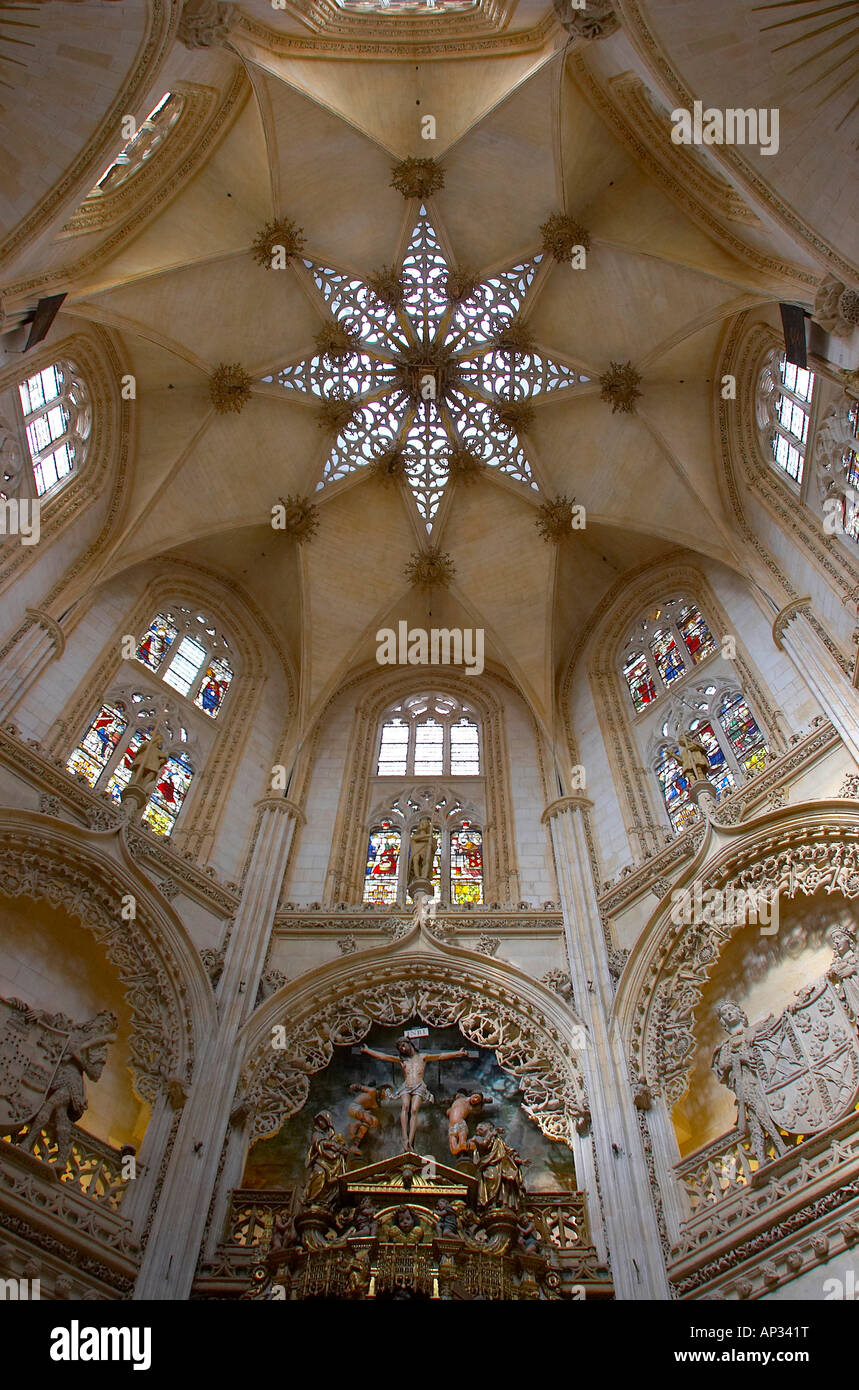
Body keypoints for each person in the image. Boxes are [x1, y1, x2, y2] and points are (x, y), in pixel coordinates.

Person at [359, 1037, 468, 1151]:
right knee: (405, 1107)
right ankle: (404, 1139)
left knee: (414, 1110)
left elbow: (440, 1056)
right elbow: (384, 1057)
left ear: (409, 1043)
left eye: (403, 1045)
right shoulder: (402, 1060)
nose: (402, 1049)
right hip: (406, 1086)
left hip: (419, 1086)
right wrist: (368, 1051)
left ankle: (410, 1142)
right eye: (400, 1047)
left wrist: (458, 1053)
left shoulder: (422, 1057)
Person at [445, 1090, 487, 1155]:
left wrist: (484, 1101)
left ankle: (464, 1145)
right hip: (452, 1125)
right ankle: (463, 1146)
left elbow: (478, 1109)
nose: (476, 1100)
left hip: (459, 1123)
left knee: (462, 1140)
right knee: (453, 1149)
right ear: (471, 1095)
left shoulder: (469, 1107)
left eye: (478, 1100)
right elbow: (448, 1112)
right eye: (476, 1097)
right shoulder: (458, 1102)